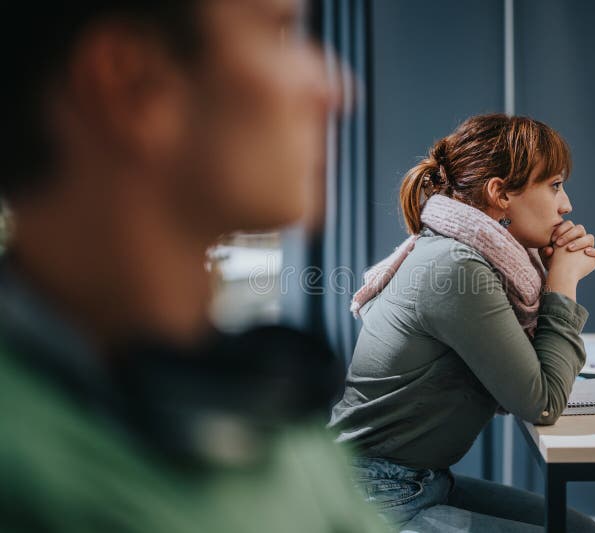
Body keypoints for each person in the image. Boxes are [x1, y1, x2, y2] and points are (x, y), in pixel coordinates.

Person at [0, 1, 386, 531]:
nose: (335, 90)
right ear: (131, 83)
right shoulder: (31, 483)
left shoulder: (257, 401)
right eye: (278, 32)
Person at [330, 114, 595, 532]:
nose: (565, 205)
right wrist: (562, 281)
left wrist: (555, 280)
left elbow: (533, 380)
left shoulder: (472, 259)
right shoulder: (458, 268)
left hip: (421, 482)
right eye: (554, 186)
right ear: (500, 194)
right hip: (374, 495)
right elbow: (541, 401)